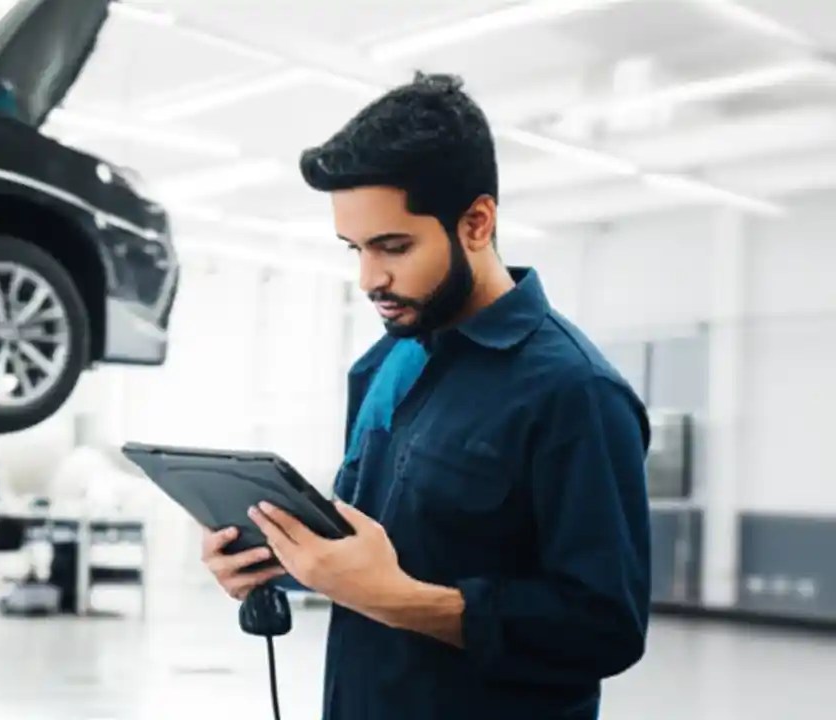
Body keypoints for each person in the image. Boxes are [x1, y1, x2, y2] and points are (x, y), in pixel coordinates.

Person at [201, 72, 652, 719]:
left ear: (476, 222)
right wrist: (274, 558)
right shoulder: (384, 363)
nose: (368, 278)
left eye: (393, 247)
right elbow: (376, 546)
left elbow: (605, 626)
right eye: (354, 249)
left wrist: (398, 598)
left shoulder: (576, 393)